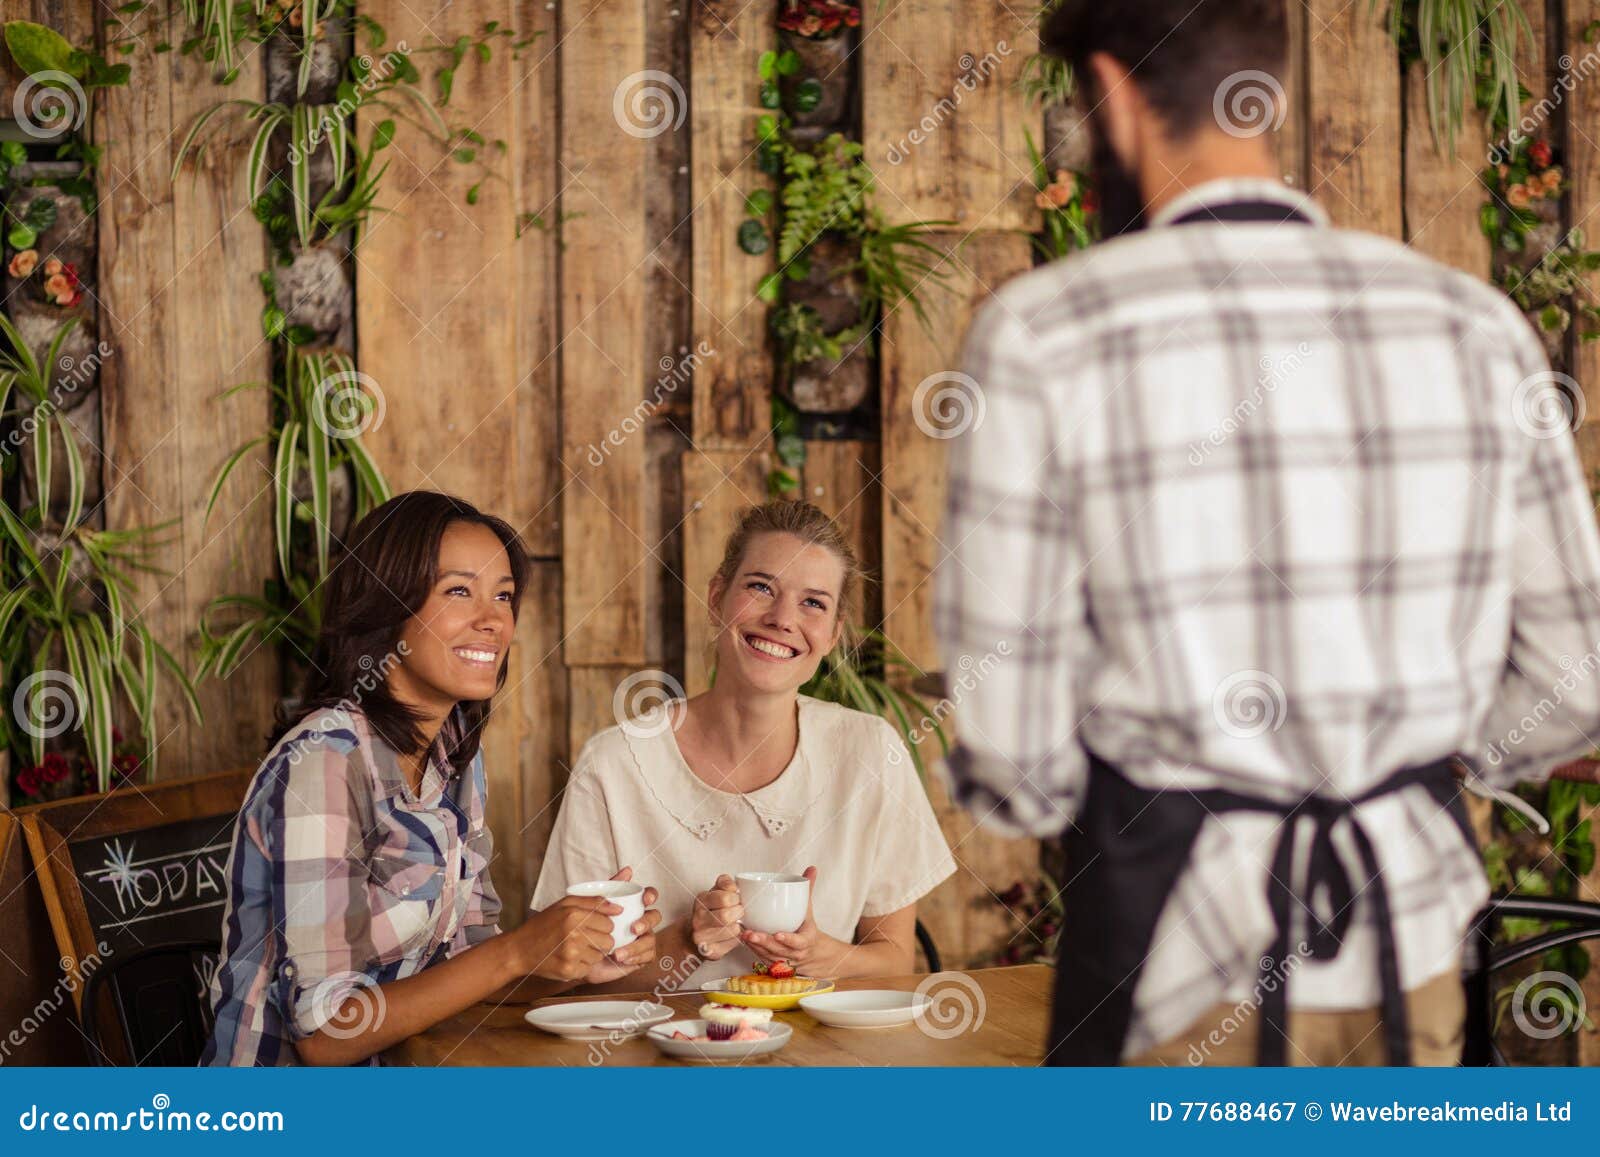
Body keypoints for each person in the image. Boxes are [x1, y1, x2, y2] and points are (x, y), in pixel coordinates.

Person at [935, 0, 1600, 1066]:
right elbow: (1577, 674)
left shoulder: (1048, 332)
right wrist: (1411, 773)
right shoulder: (1472, 325)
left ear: (1110, 94)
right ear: (1265, 89)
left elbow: (1011, 749)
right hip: (1416, 960)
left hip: (1176, 966)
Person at [204, 491, 662, 1065]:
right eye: (458, 591)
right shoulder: (324, 761)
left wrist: (568, 965)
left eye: (503, 596)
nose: (493, 619)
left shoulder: (455, 755)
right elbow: (324, 1035)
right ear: (385, 602)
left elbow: (471, 967)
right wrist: (521, 952)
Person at [534, 500, 955, 992]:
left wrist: (822, 956)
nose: (782, 618)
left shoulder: (869, 750)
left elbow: (896, 961)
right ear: (717, 597)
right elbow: (569, 981)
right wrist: (687, 941)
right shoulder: (614, 762)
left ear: (833, 635)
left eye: (813, 603)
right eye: (760, 587)